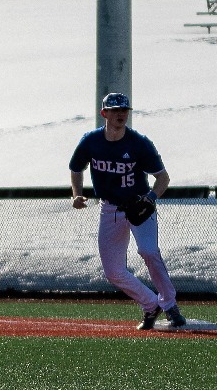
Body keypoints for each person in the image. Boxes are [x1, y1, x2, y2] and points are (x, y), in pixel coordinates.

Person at [70, 92, 185, 330]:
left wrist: (151, 198)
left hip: (139, 206)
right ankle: (150, 304)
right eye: (114, 110)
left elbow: (163, 178)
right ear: (104, 113)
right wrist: (76, 194)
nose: (120, 114)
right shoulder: (91, 141)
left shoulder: (139, 143)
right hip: (110, 209)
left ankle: (170, 305)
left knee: (149, 251)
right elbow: (76, 167)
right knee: (113, 271)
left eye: (124, 110)